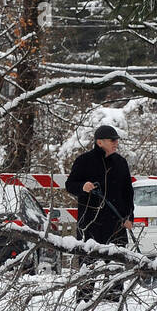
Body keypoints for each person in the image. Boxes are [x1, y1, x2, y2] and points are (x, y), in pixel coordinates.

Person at [64, 124, 134, 300]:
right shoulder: (84, 161)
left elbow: (128, 192)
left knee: (118, 262)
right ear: (100, 142)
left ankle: (113, 298)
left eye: (117, 140)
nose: (116, 143)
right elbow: (70, 185)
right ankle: (84, 299)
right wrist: (83, 187)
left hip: (116, 222)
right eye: (112, 140)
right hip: (90, 223)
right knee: (89, 263)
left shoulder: (121, 163)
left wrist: (129, 217)